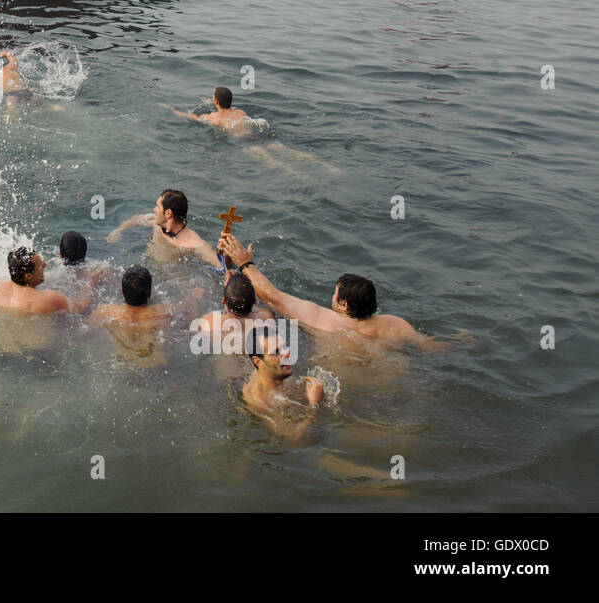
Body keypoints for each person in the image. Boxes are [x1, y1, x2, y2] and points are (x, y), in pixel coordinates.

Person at [218, 233, 452, 349]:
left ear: (344, 305)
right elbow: (429, 346)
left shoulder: (326, 320)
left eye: (335, 293)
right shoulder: (394, 324)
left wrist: (245, 263)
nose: (332, 296)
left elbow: (273, 298)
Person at [243, 326, 324, 445]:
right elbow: (293, 439)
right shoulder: (261, 401)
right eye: (276, 352)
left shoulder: (276, 370)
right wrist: (314, 405)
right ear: (258, 361)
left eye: (284, 347)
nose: (286, 354)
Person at [107, 189, 217, 265]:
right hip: (147, 268)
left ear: (168, 213)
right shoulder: (158, 224)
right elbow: (136, 219)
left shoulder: (193, 243)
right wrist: (118, 230)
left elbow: (218, 264)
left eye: (158, 206)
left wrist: (224, 258)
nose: (154, 209)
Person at [0, 247, 90, 316]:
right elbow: (83, 308)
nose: (44, 265)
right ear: (28, 276)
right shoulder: (51, 298)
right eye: (39, 265)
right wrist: (90, 282)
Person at [90, 265, 172, 332]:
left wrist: (92, 283)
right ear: (149, 293)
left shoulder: (106, 312)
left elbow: (88, 326)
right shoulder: (163, 313)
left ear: (122, 291)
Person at [169, 86, 249, 130]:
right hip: (252, 138)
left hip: (239, 141)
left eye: (213, 97)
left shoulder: (212, 118)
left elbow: (190, 116)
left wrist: (173, 109)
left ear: (216, 101)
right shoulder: (241, 113)